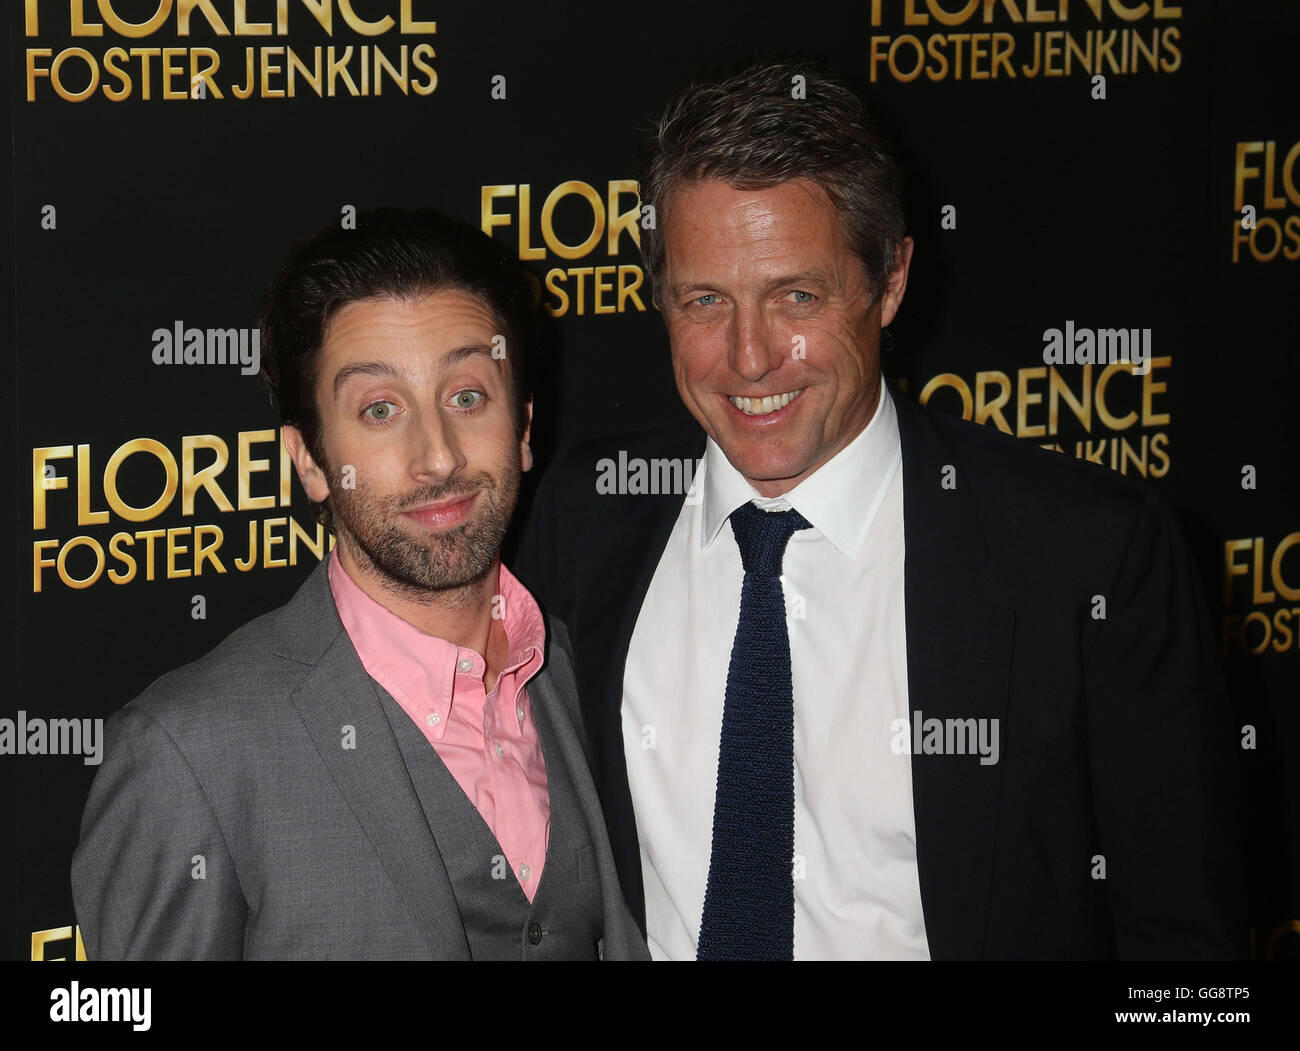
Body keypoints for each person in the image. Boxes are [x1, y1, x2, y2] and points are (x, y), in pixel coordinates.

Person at [515, 58, 1245, 960]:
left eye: (797, 297)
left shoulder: (1087, 554)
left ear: (891, 279)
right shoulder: (590, 513)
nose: (749, 359)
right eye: (705, 301)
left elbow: (1190, 961)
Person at [71, 208, 649, 961]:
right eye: (380, 410)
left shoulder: (589, 673)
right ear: (308, 460)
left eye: (468, 396)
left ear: (526, 424)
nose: (437, 456)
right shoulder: (190, 755)